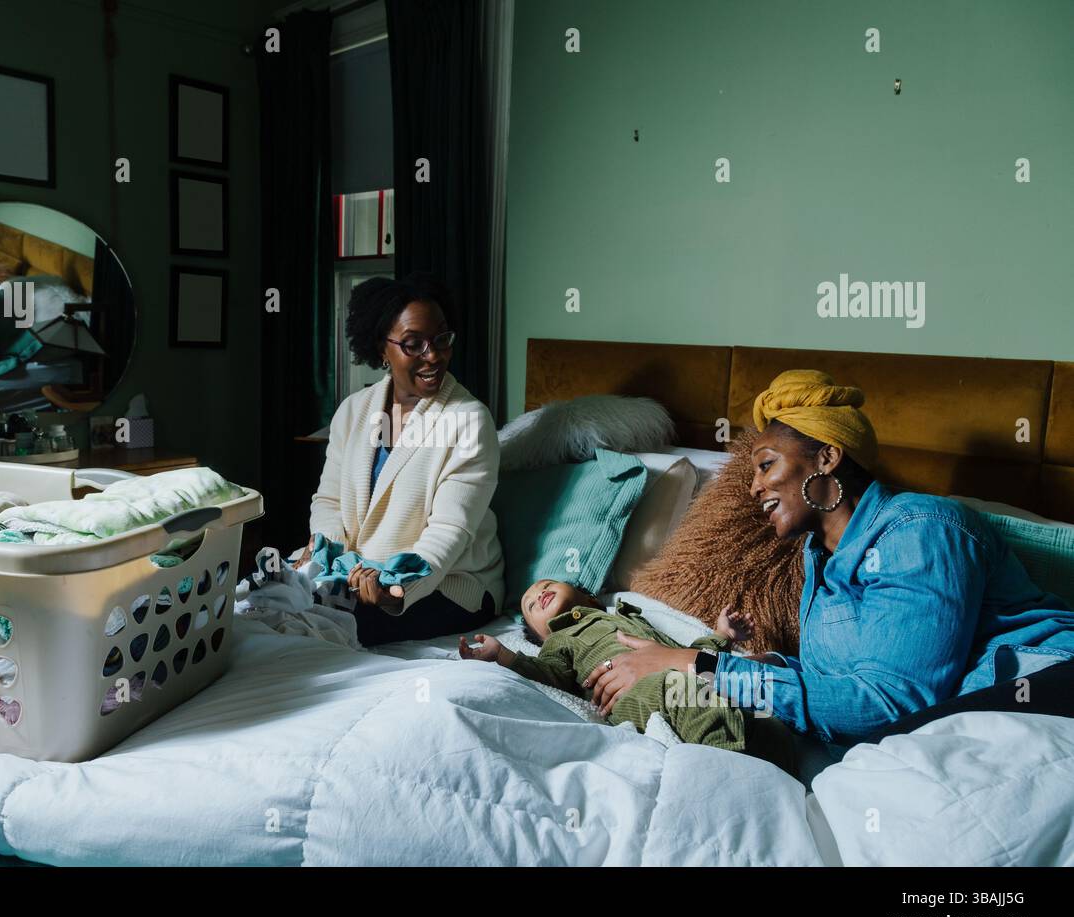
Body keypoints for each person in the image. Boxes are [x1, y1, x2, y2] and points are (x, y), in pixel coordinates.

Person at [581, 369, 1074, 748]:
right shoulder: (818, 560)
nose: (753, 487)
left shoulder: (922, 529)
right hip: (949, 723)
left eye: (767, 465)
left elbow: (892, 703)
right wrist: (761, 664)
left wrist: (699, 666)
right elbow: (848, 686)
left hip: (1041, 687)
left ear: (827, 459)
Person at [299, 272, 504, 646]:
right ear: (381, 348)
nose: (434, 356)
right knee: (272, 596)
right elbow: (328, 501)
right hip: (359, 574)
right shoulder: (353, 411)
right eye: (414, 344)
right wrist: (325, 558)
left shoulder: (469, 421)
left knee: (324, 626)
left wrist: (395, 588)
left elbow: (449, 532)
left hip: (449, 583)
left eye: (442, 339)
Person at [459, 579, 797, 773]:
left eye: (545, 585)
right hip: (630, 696)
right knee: (677, 688)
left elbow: (683, 651)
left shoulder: (631, 617)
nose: (538, 594)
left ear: (589, 597)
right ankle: (734, 768)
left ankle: (774, 753)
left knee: (755, 698)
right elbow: (550, 676)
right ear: (542, 635)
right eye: (531, 605)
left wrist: (721, 636)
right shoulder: (561, 640)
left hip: (676, 669)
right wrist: (503, 655)